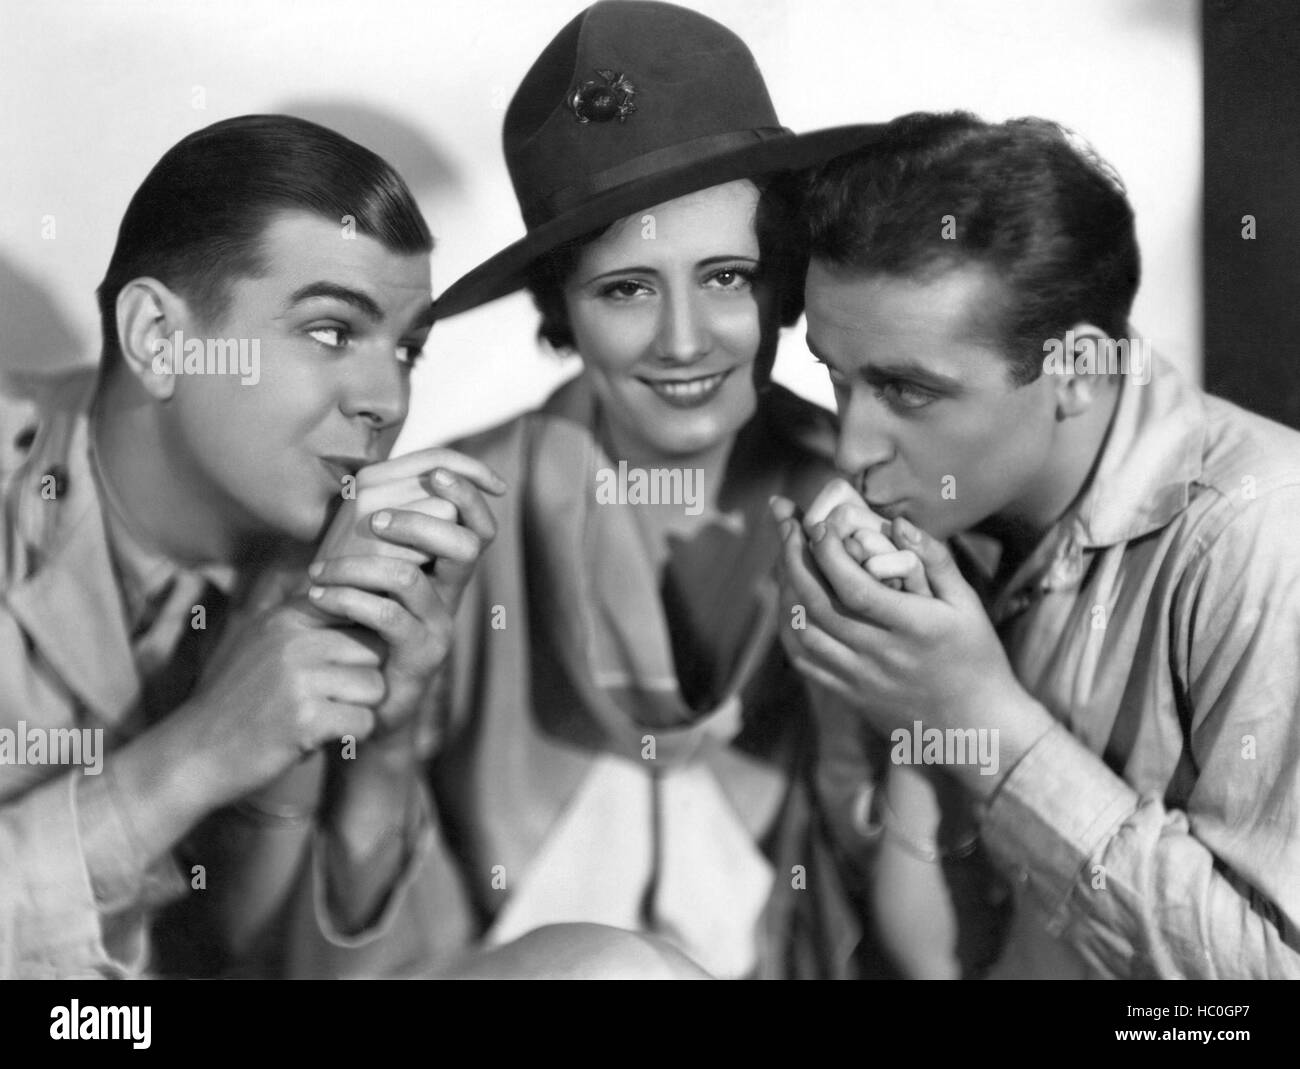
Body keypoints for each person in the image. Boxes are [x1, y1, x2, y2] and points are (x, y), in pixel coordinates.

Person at [282, 0, 885, 980]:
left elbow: (936, 933)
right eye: (626, 289)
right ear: (560, 303)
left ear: (783, 279)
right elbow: (332, 961)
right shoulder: (435, 523)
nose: (684, 340)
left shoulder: (875, 507)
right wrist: (380, 743)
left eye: (726, 276)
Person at [775, 111, 1300, 978]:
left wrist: (979, 722)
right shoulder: (928, 541)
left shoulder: (1259, 536)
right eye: (837, 376)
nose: (851, 448)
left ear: (1078, 369)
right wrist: (907, 719)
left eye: (906, 390)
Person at [0, 114, 504, 978]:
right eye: (331, 331)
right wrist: (196, 756)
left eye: (408, 350)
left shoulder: (334, 556)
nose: (387, 399)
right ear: (159, 338)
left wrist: (381, 749)